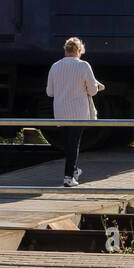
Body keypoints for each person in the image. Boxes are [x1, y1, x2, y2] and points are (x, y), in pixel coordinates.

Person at [45, 37, 104, 187]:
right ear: (79, 50)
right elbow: (92, 90)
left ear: (65, 49)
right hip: (78, 112)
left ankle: (74, 170)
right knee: (74, 144)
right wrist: (97, 86)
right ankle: (68, 177)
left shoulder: (55, 66)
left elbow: (49, 92)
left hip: (60, 112)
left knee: (68, 144)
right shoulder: (84, 66)